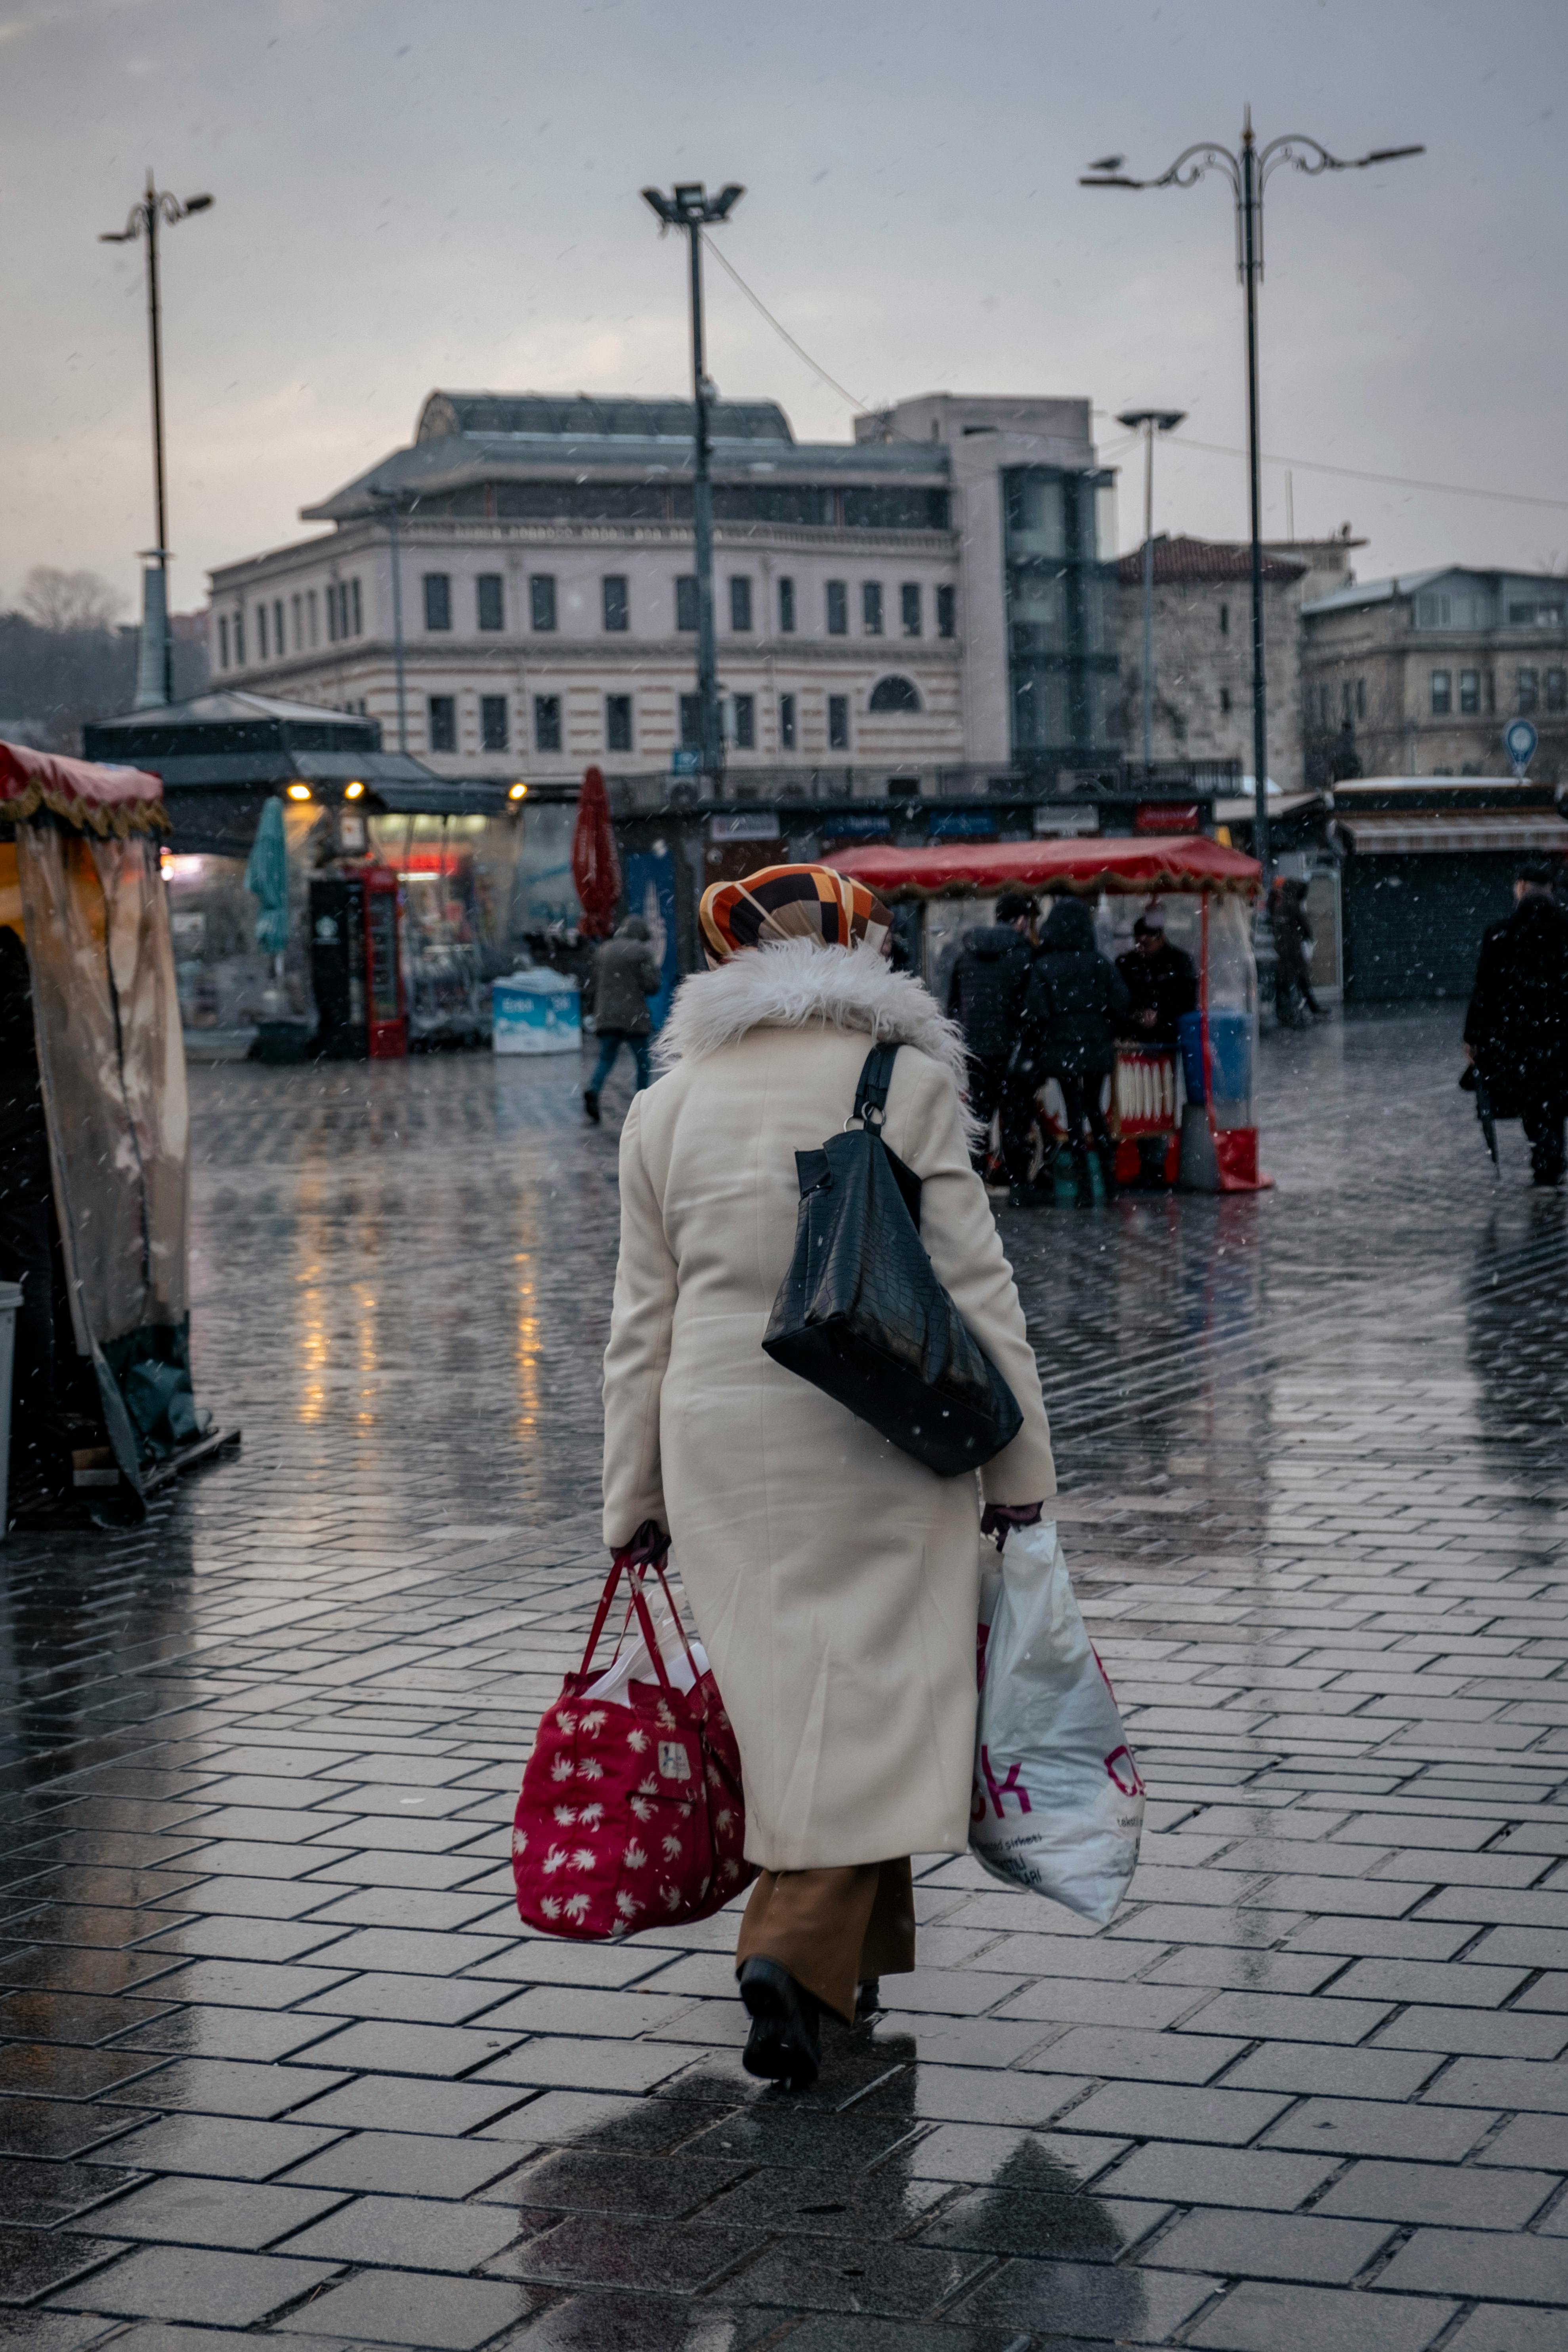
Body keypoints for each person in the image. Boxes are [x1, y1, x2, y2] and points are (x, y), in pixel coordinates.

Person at [600, 863, 1055, 2089]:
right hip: (879, 1418)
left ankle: (851, 1963)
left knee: (794, 1694)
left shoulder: (665, 1105)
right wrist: (1019, 1469)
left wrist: (631, 1497)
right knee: (873, 1698)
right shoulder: (899, 1081)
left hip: (714, 1437)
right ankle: (790, 1951)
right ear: (859, 952)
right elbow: (976, 1287)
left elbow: (638, 1325)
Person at [0, 925, 64, 1520]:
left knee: (25, 1286)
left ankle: (31, 1451)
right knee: (28, 1284)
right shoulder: (10, 956)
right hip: (20, 1134)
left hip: (13, 1135)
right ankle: (35, 1451)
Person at [1014, 899, 1129, 1207]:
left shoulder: (1044, 966)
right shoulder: (1100, 963)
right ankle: (1110, 1182)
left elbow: (1035, 1012)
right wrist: (1103, 1027)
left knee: (1074, 1114)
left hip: (1061, 1050)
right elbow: (1121, 1003)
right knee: (1095, 1110)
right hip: (1096, 1048)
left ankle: (1083, 1189)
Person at [1464, 856, 1568, 1187]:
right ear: (1550, 890)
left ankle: (1545, 1155)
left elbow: (1484, 990)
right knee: (1555, 1099)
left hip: (1517, 1036)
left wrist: (1473, 1036)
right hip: (1561, 1033)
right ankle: (1551, 1155)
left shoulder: (1500, 934)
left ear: (1520, 888)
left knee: (1533, 1100)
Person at [945, 893, 1036, 1184]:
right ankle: (1018, 1183)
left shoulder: (966, 955)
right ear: (1021, 921)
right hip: (1012, 1052)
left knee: (979, 1117)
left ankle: (974, 1179)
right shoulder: (1025, 956)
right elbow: (1031, 1009)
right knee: (1014, 1119)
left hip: (975, 1050)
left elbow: (954, 1007)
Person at [1115, 907, 1198, 1190]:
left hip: (1167, 1042)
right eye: (1138, 943)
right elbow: (1120, 1000)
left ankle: (1157, 1166)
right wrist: (1135, 1018)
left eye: (1146, 943)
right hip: (1135, 1043)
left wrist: (1160, 1016)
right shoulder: (1127, 963)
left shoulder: (1180, 962)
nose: (1141, 948)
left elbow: (1186, 1002)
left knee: (1160, 1102)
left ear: (1160, 937)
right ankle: (1147, 1164)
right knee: (1138, 1103)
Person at [583, 914, 661, 1123]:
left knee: (606, 1058)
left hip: (607, 1016)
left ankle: (594, 1089)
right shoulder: (642, 952)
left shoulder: (604, 950)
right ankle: (641, 1103)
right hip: (634, 1016)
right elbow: (652, 986)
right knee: (643, 1061)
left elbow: (593, 985)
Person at [1269, 876, 1324, 1024]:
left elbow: (1274, 920)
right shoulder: (1293, 906)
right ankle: (1304, 1011)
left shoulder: (1279, 906)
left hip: (1282, 951)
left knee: (1284, 983)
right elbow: (1305, 926)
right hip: (1293, 951)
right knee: (1301, 981)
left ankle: (1284, 1012)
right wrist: (1308, 938)